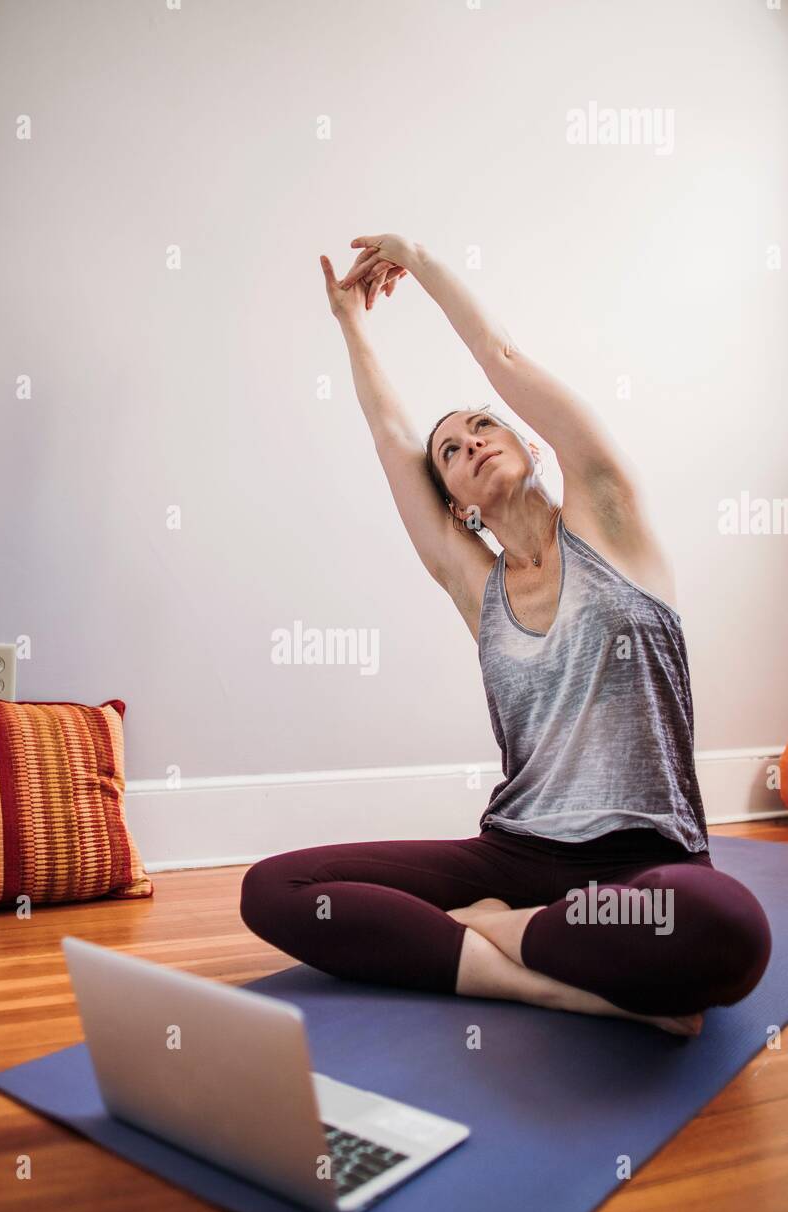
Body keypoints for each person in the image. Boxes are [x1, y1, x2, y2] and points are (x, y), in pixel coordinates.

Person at [240, 234, 771, 1036]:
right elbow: (392, 441)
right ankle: (537, 978)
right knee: (273, 890)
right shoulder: (475, 586)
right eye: (449, 451)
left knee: (726, 930)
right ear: (456, 505)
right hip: (516, 853)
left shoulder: (610, 518)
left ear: (526, 443)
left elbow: (504, 355)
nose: (471, 442)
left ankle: (490, 929)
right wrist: (350, 322)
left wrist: (416, 260)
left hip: (645, 860)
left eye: (484, 427)